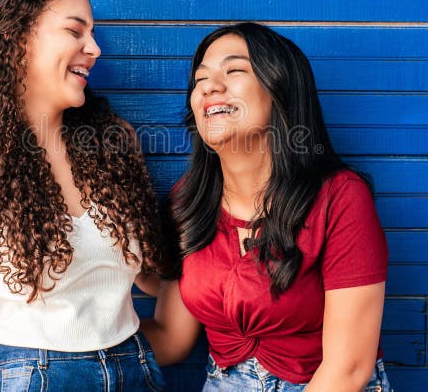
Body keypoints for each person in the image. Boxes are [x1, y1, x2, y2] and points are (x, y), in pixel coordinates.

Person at [0, 0, 166, 392]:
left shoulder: (113, 144)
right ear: (16, 40)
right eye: (75, 31)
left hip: (136, 368)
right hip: (37, 377)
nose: (94, 49)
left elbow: (154, 277)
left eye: (92, 34)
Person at [141, 22, 392, 391]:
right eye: (200, 79)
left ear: (280, 90)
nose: (209, 87)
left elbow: (349, 368)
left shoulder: (340, 197)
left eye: (234, 70)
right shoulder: (187, 201)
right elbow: (172, 338)